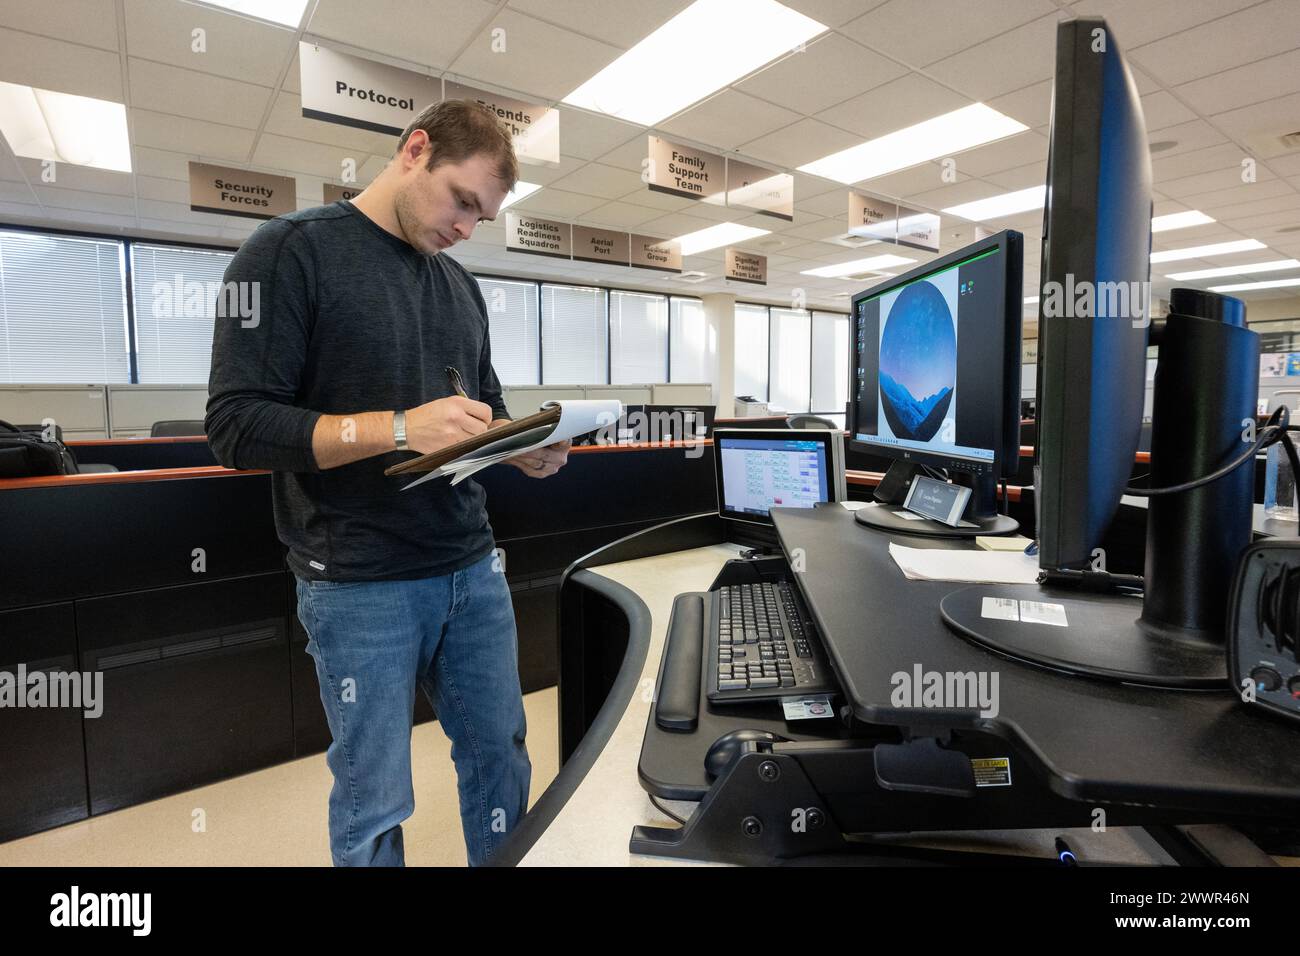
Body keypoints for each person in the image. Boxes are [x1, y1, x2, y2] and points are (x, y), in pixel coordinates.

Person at [205, 99, 570, 866]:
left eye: (484, 216)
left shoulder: (461, 288)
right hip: (359, 583)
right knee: (376, 799)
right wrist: (399, 427)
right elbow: (237, 426)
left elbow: (484, 412)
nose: (468, 228)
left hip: (472, 570)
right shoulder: (287, 253)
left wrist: (521, 448)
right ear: (414, 151)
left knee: (500, 758)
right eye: (462, 201)